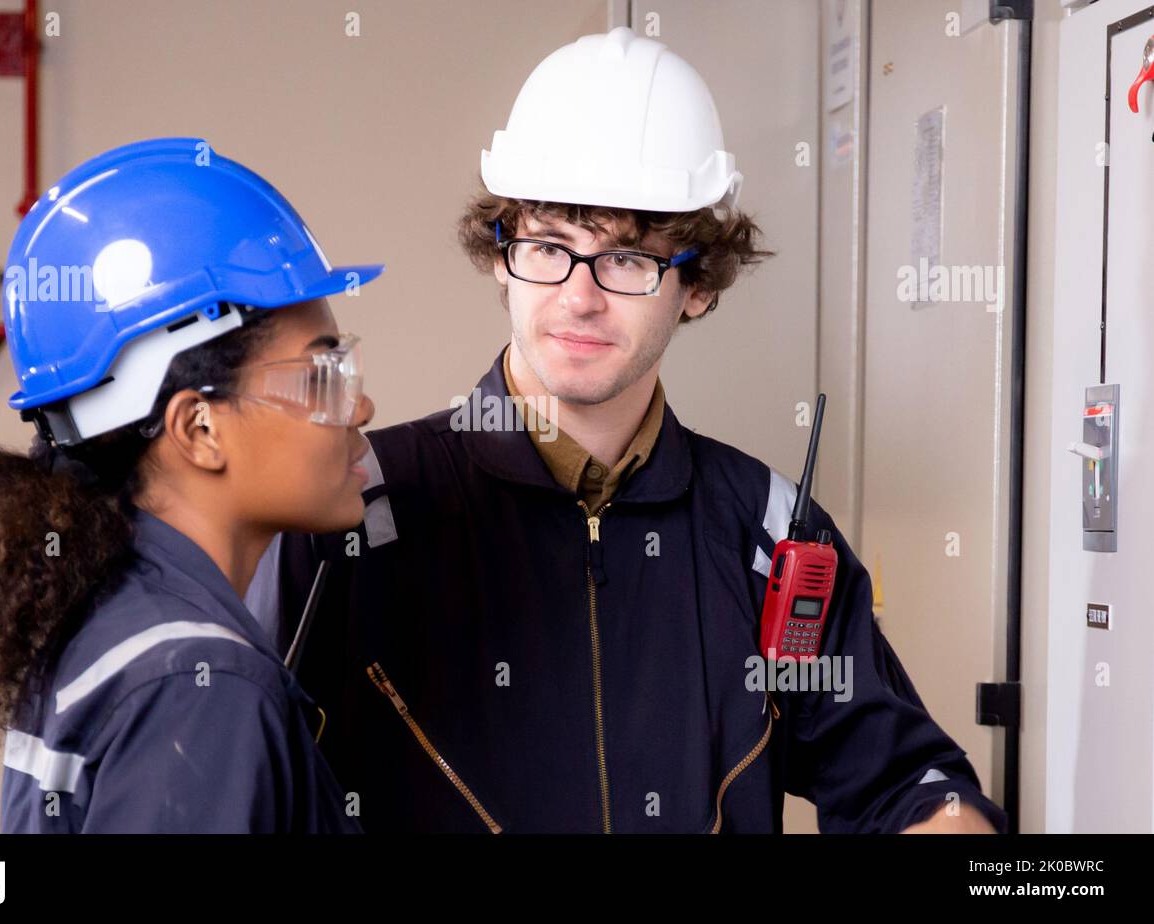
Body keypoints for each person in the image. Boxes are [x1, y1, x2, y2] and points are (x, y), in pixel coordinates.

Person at [251, 28, 1008, 833]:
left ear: (698, 286)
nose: (579, 297)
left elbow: (905, 782)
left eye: (626, 260)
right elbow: (242, 784)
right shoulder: (350, 509)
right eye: (548, 246)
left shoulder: (771, 534)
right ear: (499, 257)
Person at [0, 137, 379, 833]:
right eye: (324, 376)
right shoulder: (201, 687)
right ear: (198, 427)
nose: (359, 408)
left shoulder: (116, 624)